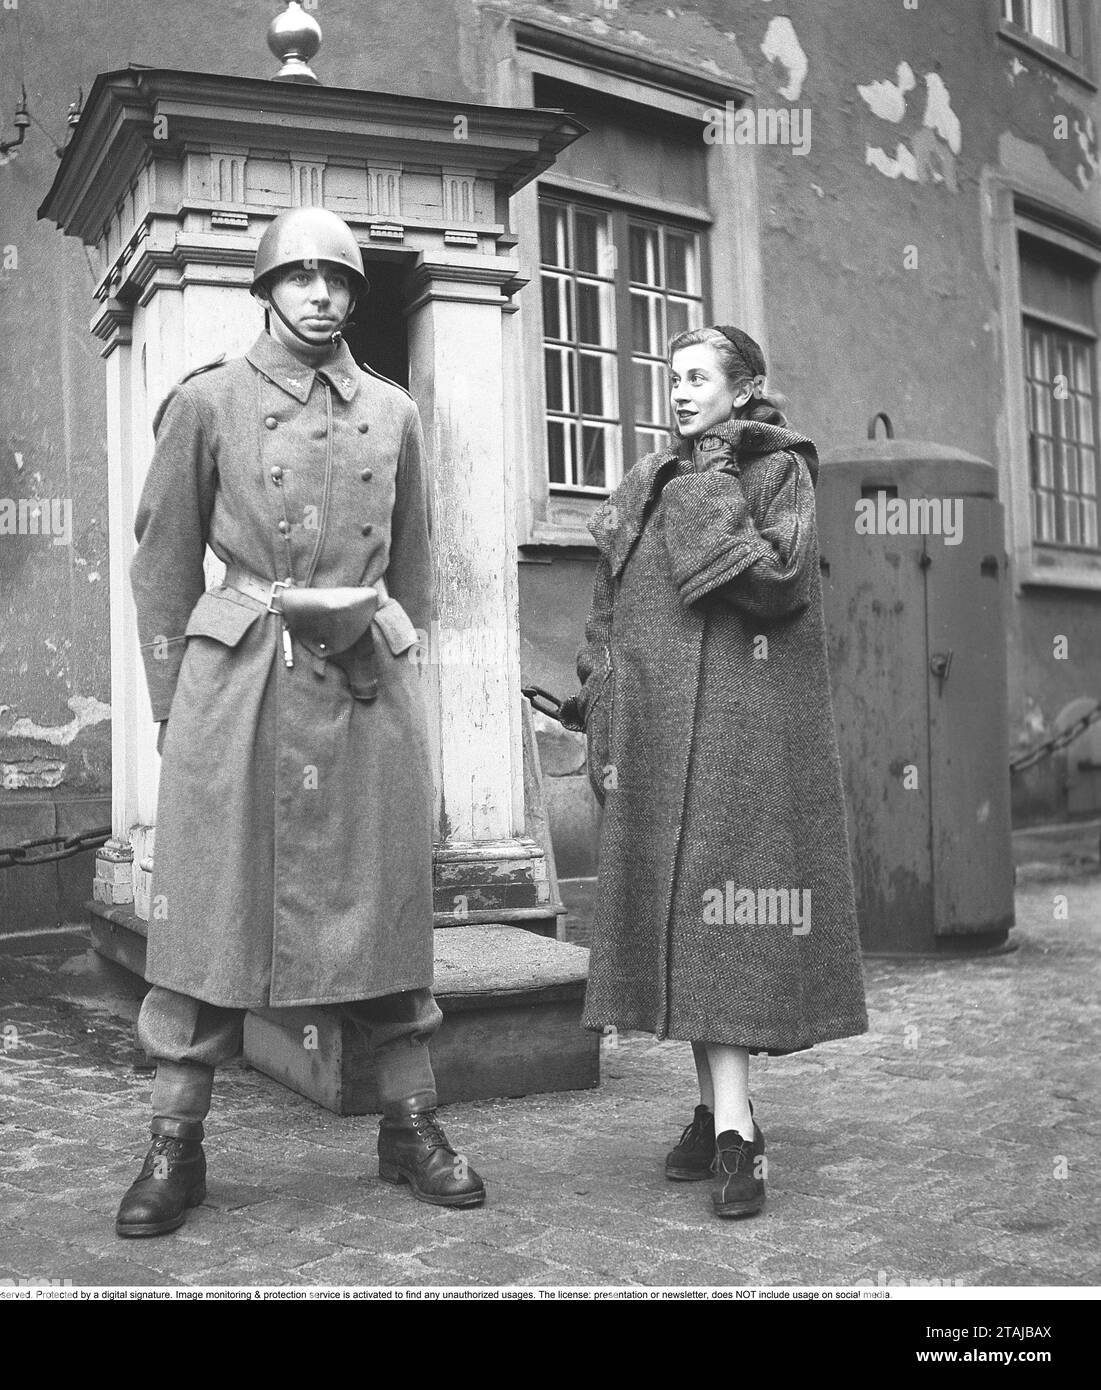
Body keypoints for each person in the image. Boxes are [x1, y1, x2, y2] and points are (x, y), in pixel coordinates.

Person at [115, 207, 485, 1238]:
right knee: (210, 923)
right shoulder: (208, 404)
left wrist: (392, 656)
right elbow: (158, 574)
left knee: (387, 918)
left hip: (363, 692)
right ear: (266, 288)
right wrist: (176, 709)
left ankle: (410, 1127)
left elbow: (413, 570)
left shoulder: (392, 412)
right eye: (300, 276)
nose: (320, 294)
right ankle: (173, 1146)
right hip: (240, 693)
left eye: (338, 280)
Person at [560, 324, 868, 1219]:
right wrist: (599, 692)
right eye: (672, 377)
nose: (681, 392)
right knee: (680, 933)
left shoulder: (776, 472)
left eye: (699, 378)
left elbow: (773, 582)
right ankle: (712, 1112)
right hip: (652, 740)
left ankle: (737, 1137)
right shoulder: (651, 482)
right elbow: (606, 611)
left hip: (740, 746)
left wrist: (707, 484)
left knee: (718, 928)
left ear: (745, 389)